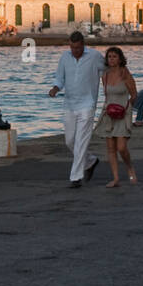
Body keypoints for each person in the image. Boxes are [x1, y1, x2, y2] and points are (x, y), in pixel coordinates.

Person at [48, 31, 105, 188]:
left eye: (78, 48)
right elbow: (60, 77)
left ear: (83, 45)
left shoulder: (94, 56)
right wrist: (55, 88)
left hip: (87, 103)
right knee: (70, 141)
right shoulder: (65, 57)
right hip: (69, 104)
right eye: (73, 48)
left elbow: (107, 69)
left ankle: (76, 177)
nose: (75, 51)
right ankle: (91, 161)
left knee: (81, 141)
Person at [91, 47, 139, 187]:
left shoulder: (125, 73)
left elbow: (134, 94)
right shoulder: (104, 75)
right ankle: (116, 178)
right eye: (109, 57)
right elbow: (106, 94)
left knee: (122, 147)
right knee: (111, 148)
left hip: (123, 111)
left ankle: (129, 167)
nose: (111, 59)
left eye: (114, 56)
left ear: (120, 58)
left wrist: (128, 107)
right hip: (109, 112)